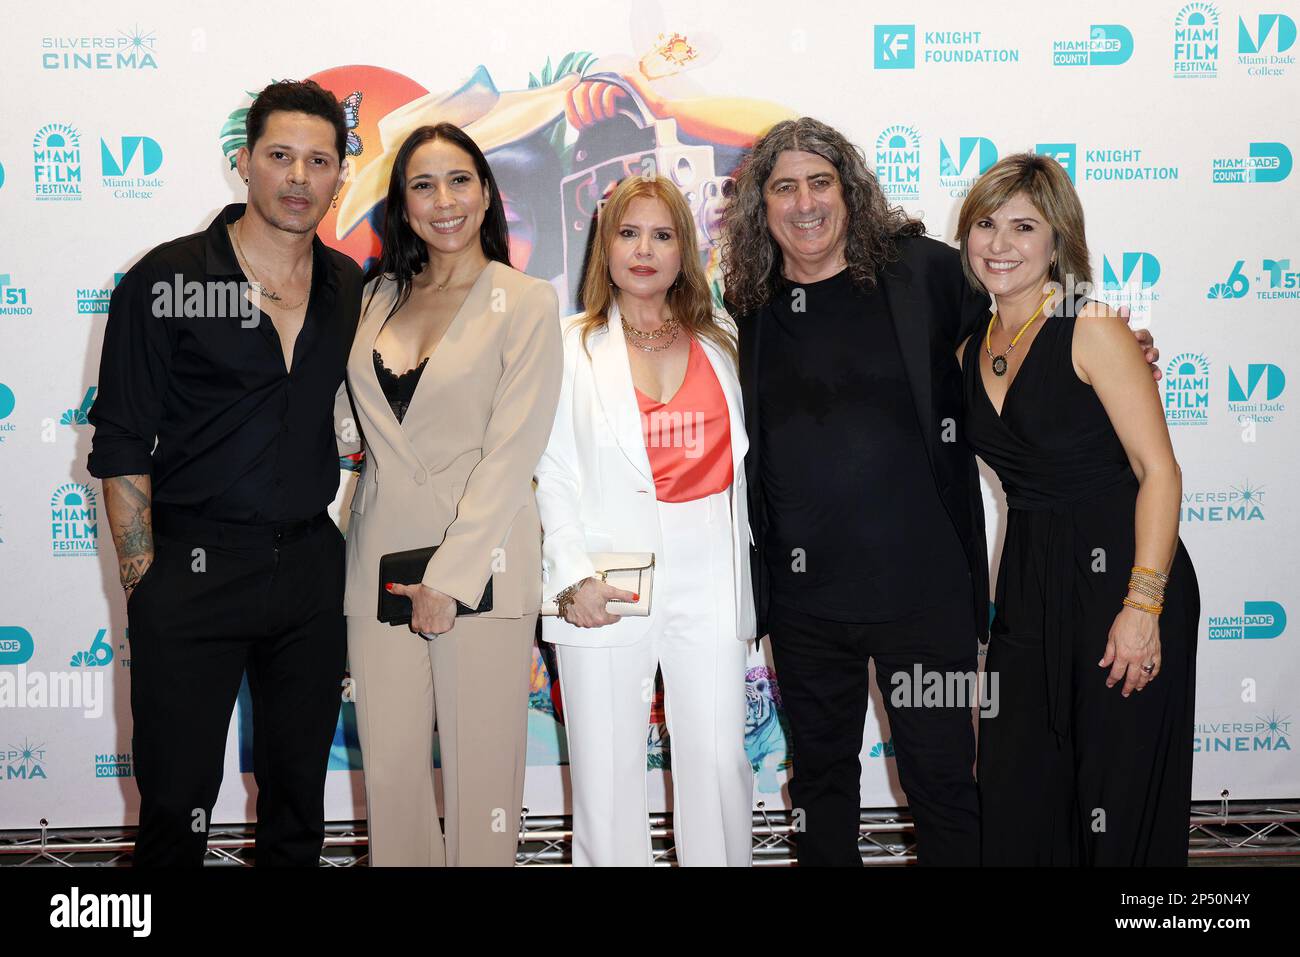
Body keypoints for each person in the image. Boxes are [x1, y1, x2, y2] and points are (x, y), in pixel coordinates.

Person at [719, 117, 1161, 866]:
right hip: (803, 609)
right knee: (819, 784)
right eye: (784, 186)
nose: (805, 202)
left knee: (946, 784)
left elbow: (1023, 313)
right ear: (760, 206)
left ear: (849, 192)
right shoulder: (747, 306)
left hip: (925, 602)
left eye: (820, 181)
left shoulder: (921, 271)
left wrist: (1123, 341)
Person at [87, 80, 362, 866]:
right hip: (192, 566)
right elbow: (121, 438)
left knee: (297, 797)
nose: (299, 177)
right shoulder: (167, 278)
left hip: (310, 565)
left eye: (318, 160)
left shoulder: (348, 287)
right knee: (176, 804)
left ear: (340, 173)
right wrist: (146, 576)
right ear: (243, 162)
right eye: (280, 156)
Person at [956, 153, 1199, 865]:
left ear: (1058, 241)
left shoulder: (1091, 326)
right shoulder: (970, 346)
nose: (1000, 244)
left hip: (1124, 576)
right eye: (986, 224)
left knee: (1118, 799)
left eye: (1024, 227)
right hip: (1028, 586)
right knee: (1016, 785)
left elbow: (1160, 471)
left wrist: (1143, 604)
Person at [342, 123, 562, 867]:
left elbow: (511, 453)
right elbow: (354, 416)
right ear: (402, 206)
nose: (444, 201)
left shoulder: (526, 301)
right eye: (423, 185)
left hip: (483, 566)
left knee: (482, 784)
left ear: (488, 191)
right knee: (395, 777)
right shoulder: (375, 298)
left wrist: (449, 578)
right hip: (378, 564)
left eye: (459, 180)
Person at [535, 174, 756, 866]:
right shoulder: (568, 345)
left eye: (662, 234)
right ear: (603, 247)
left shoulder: (721, 341)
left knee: (719, 761)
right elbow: (550, 469)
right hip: (604, 572)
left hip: (710, 566)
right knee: (606, 775)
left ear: (685, 251)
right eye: (628, 233)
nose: (644, 249)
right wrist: (571, 575)